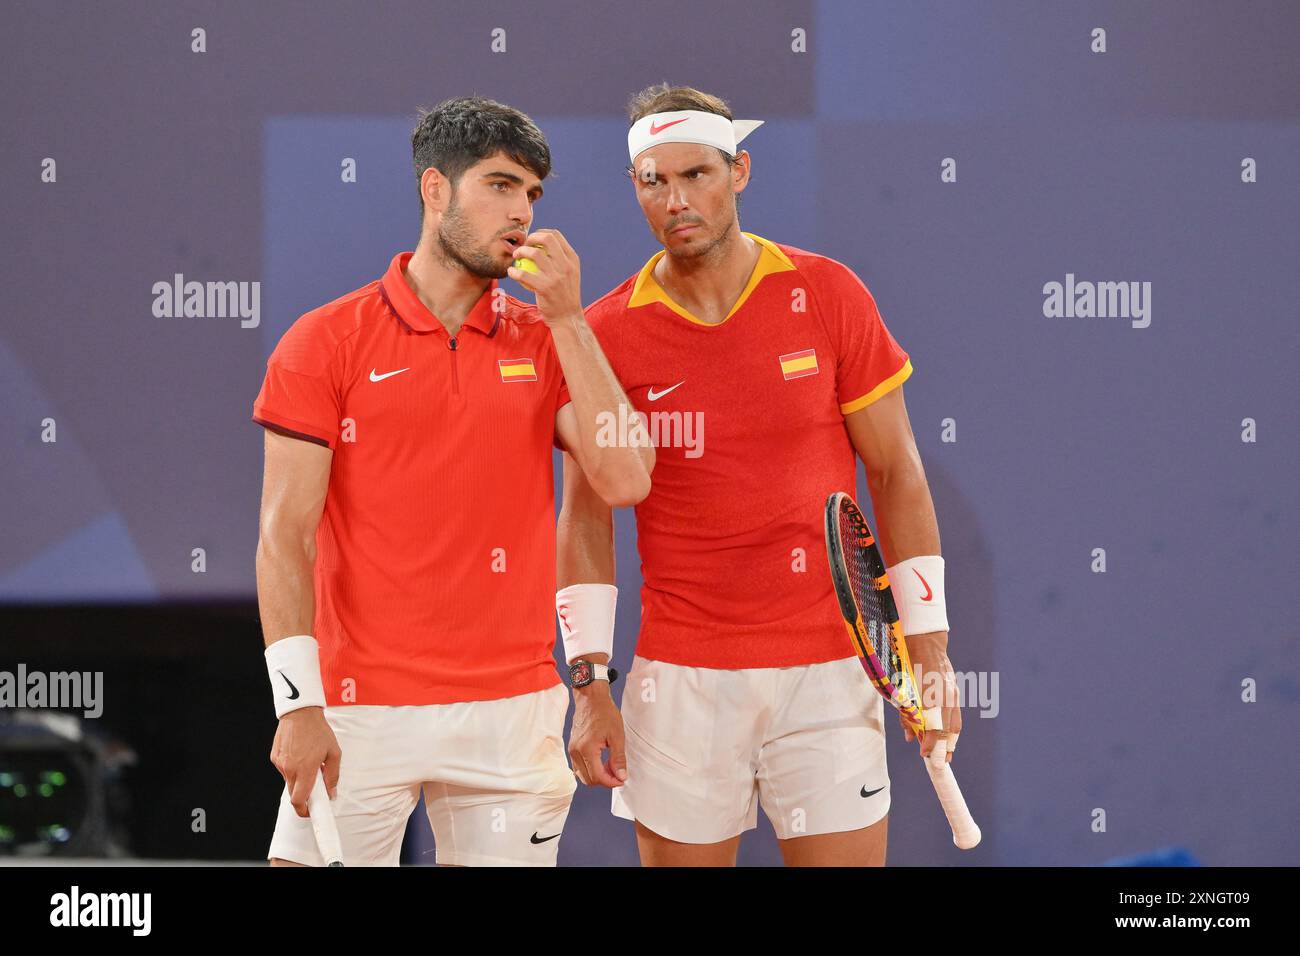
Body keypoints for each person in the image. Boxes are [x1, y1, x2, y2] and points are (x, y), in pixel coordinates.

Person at [557, 84, 962, 866]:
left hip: (831, 673)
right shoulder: (604, 333)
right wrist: (589, 686)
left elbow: (896, 470)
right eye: (654, 182)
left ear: (739, 171)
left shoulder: (830, 295)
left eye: (697, 175)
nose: (677, 200)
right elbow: (583, 516)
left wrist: (932, 653)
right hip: (681, 683)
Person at [253, 96, 653, 867]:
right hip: (359, 707)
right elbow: (283, 537)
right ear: (435, 189)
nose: (522, 212)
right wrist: (297, 704)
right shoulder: (324, 342)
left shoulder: (545, 344)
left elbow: (627, 476)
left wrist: (570, 321)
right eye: (501, 185)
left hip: (514, 713)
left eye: (533, 194)